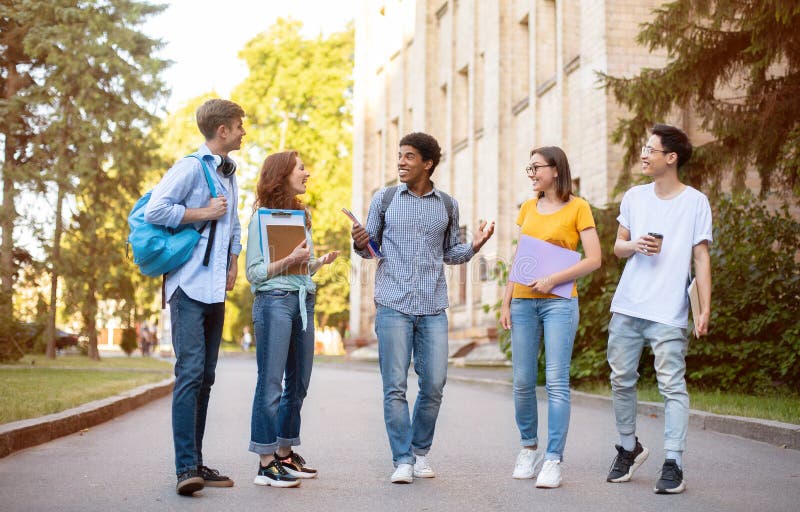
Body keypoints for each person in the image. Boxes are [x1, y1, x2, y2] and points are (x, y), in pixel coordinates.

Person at [351, 132, 495, 484]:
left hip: (432, 306)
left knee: (434, 384)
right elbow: (371, 248)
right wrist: (359, 244)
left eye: (409, 156)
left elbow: (451, 252)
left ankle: (418, 452)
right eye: (399, 155)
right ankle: (402, 458)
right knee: (395, 386)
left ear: (427, 163)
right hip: (393, 303)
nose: (401, 162)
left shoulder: (447, 205)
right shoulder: (383, 199)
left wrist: (474, 246)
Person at [144, 98, 245, 496]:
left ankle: (198, 462)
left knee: (206, 377)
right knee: (190, 374)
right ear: (222, 130)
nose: (243, 132)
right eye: (239, 126)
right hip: (187, 286)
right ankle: (185, 467)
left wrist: (234, 260)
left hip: (214, 288)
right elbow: (156, 210)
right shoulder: (189, 167)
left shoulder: (229, 172)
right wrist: (202, 214)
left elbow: (233, 220)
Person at [605, 123, 712, 494]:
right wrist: (635, 245)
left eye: (650, 149)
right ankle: (628, 447)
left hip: (668, 311)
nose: (643, 155)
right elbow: (617, 247)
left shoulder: (695, 202)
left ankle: (674, 462)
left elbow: (701, 257)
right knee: (621, 379)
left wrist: (703, 310)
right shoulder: (635, 197)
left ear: (672, 157)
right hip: (629, 305)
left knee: (672, 385)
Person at [499, 146, 601, 489]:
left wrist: (554, 279)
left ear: (555, 170)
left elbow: (594, 259)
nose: (531, 174)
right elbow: (520, 255)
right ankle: (529, 448)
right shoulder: (528, 207)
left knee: (557, 382)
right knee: (523, 381)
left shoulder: (578, 207)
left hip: (559, 302)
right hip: (524, 304)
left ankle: (554, 459)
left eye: (536, 168)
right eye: (528, 168)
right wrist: (506, 299)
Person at [246, 151, 339, 488]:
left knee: (298, 384)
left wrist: (317, 262)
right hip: (274, 303)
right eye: (301, 168)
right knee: (271, 383)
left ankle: (285, 453)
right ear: (283, 174)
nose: (307, 172)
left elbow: (299, 266)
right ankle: (266, 463)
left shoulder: (300, 216)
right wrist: (290, 259)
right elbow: (254, 274)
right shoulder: (260, 220)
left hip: (303, 302)